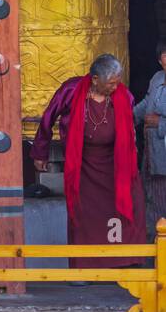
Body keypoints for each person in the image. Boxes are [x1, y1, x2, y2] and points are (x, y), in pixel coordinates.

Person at [32, 54, 145, 270]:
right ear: (95, 80)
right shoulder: (71, 91)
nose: (116, 86)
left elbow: (129, 131)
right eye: (111, 82)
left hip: (115, 164)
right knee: (83, 213)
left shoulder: (123, 96)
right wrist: (40, 152)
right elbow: (48, 118)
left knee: (134, 202)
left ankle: (127, 260)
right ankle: (84, 264)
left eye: (118, 81)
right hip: (83, 164)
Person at [133, 41, 166, 239]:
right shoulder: (157, 78)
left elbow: (153, 117)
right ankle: (155, 256)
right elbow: (146, 103)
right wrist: (125, 118)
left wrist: (160, 123)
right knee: (153, 202)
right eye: (164, 55)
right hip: (154, 155)